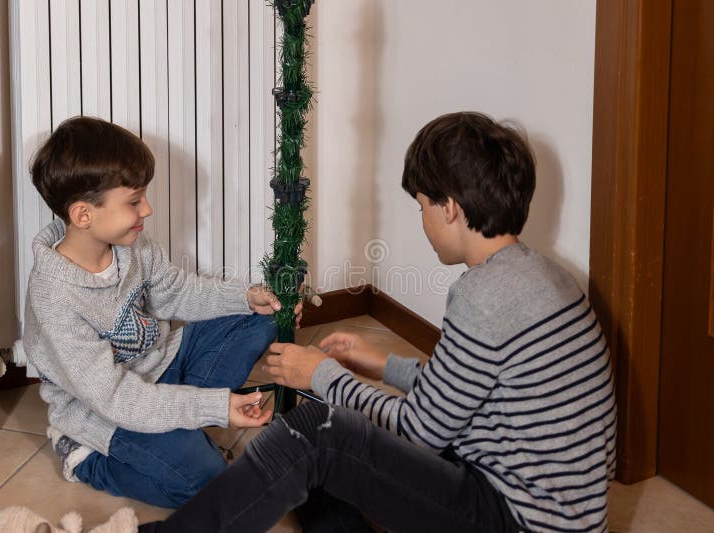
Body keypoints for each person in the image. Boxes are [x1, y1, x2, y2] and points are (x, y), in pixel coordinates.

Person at [138, 112, 616, 532]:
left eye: (423, 207)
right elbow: (463, 395)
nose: (423, 220)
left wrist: (322, 375)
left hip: (514, 517)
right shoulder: (546, 277)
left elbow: (421, 431)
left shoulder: (483, 295)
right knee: (326, 455)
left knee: (315, 431)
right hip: (533, 504)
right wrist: (385, 365)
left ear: (450, 208)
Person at [23, 116, 296, 508]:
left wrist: (247, 297)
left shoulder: (130, 245)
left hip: (160, 364)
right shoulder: (54, 299)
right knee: (209, 481)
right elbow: (115, 397)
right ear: (84, 215)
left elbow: (177, 292)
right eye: (134, 201)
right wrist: (214, 407)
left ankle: (178, 421)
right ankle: (86, 460)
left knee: (263, 315)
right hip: (107, 409)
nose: (147, 209)